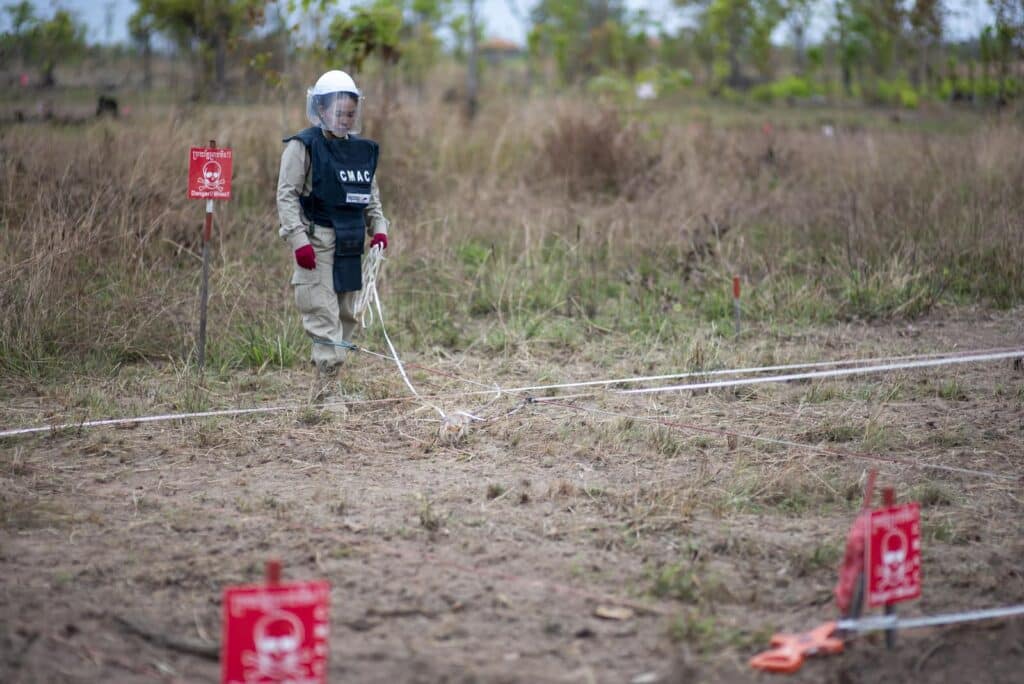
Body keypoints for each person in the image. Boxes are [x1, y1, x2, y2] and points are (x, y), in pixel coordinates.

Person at [277, 70, 390, 404]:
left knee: (346, 316)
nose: (345, 119)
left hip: (351, 243)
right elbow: (286, 195)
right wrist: (298, 241)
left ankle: (327, 385)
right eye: (339, 113)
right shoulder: (303, 146)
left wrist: (379, 229)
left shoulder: (361, 152)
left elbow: (371, 197)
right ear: (321, 110)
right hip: (318, 243)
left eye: (350, 113)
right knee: (323, 314)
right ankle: (328, 396)